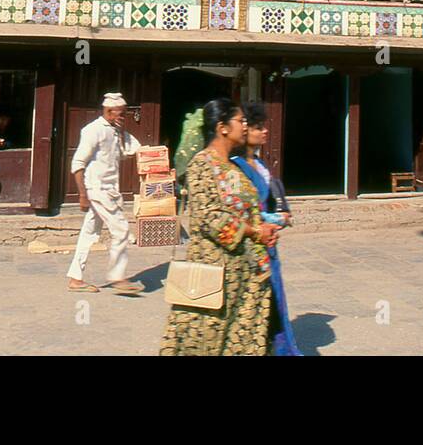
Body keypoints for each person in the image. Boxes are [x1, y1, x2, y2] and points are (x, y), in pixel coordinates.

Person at [160, 98, 278, 356]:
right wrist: (255, 231)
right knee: (206, 340)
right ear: (222, 127)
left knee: (242, 340)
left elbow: (242, 208)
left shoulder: (234, 166)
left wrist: (263, 227)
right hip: (216, 274)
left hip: (245, 273)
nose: (246, 127)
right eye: (241, 121)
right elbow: (210, 217)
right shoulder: (203, 164)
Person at [230, 100, 301, 356]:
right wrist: (276, 220)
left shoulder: (259, 164)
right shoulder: (236, 167)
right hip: (249, 244)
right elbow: (242, 211)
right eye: (258, 127)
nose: (265, 131)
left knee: (274, 302)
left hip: (268, 245)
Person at [66, 92, 144, 294]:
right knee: (121, 230)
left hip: (109, 191)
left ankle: (75, 278)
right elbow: (77, 164)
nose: (123, 117)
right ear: (109, 111)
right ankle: (117, 277)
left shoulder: (117, 131)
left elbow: (135, 149)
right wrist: (82, 194)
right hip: (98, 190)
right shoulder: (93, 131)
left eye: (124, 113)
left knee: (88, 233)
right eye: (120, 113)